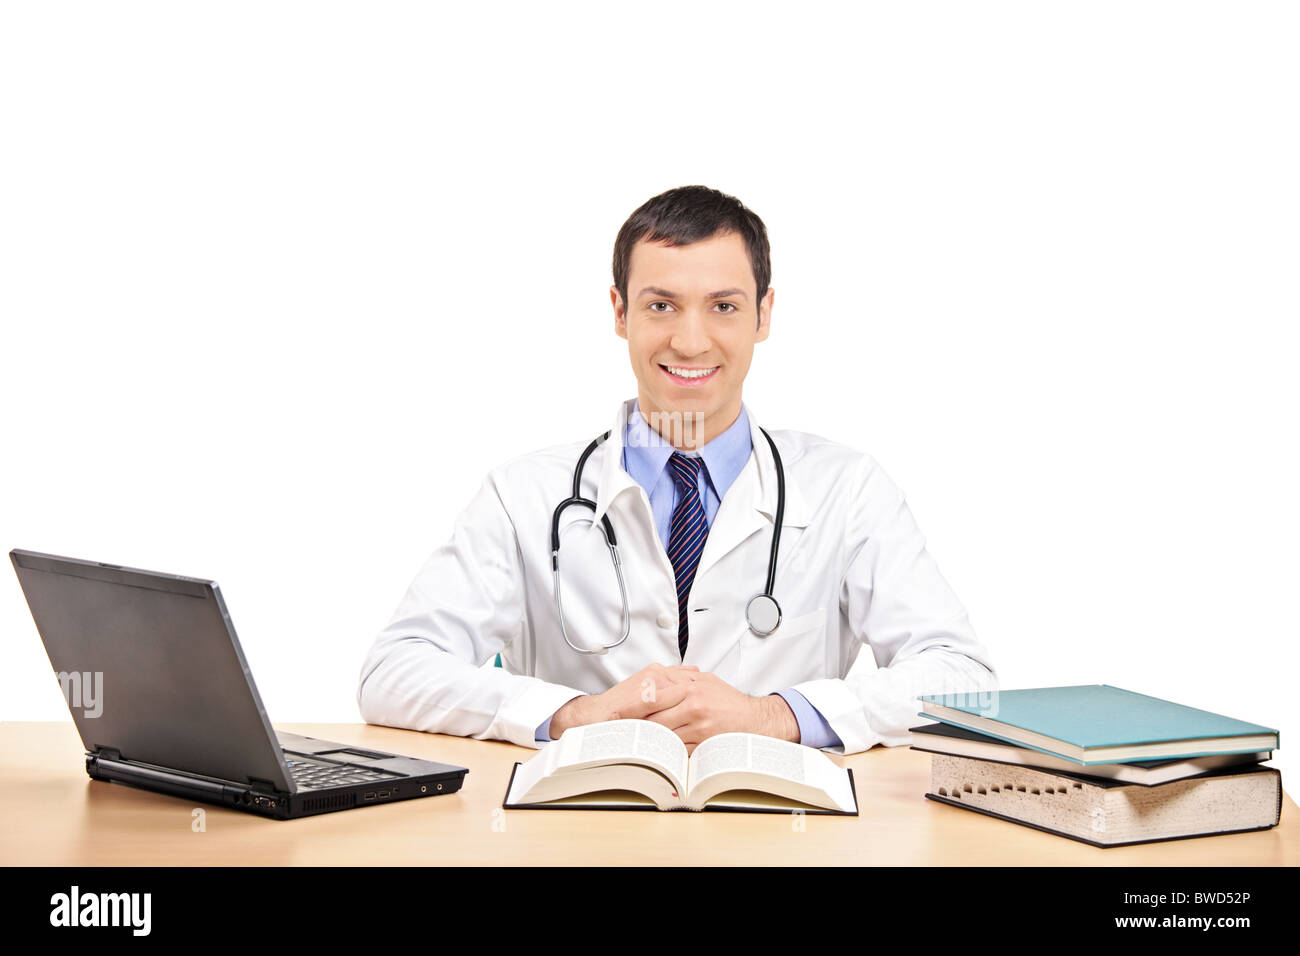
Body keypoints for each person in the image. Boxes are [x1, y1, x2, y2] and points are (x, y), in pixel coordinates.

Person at [357, 184, 996, 755]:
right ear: (619, 311)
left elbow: (961, 677)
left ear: (764, 314)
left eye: (723, 306)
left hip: (782, 837)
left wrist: (775, 717)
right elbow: (394, 672)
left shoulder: (847, 489)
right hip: (577, 834)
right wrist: (574, 715)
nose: (691, 342)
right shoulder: (523, 494)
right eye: (662, 305)